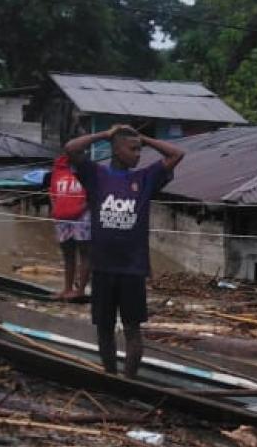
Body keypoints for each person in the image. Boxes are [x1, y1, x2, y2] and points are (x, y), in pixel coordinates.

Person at [64, 125, 185, 377]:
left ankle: (129, 380)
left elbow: (176, 154)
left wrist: (145, 139)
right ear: (116, 151)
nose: (138, 154)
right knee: (104, 329)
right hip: (103, 267)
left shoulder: (145, 178)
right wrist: (104, 135)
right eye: (132, 149)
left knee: (132, 329)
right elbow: (71, 148)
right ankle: (110, 375)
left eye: (139, 150)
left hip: (132, 269)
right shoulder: (96, 175)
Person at [46, 154, 90, 301]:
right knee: (68, 254)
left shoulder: (86, 168)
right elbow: (52, 193)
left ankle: (81, 290)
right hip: (62, 216)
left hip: (83, 216)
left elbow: (94, 192)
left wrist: (84, 207)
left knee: (85, 252)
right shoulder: (58, 169)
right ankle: (67, 289)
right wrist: (55, 209)